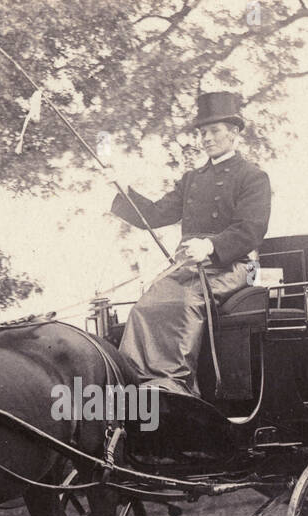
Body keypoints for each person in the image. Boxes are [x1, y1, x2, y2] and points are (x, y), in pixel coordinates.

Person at [110, 92, 271, 398]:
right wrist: (121, 190)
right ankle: (138, 382)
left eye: (213, 131)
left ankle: (175, 385)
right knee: (145, 306)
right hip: (189, 266)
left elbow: (251, 229)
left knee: (184, 303)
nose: (206, 138)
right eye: (202, 133)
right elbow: (155, 215)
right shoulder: (192, 179)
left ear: (234, 132)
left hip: (235, 265)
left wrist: (210, 247)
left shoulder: (252, 177)